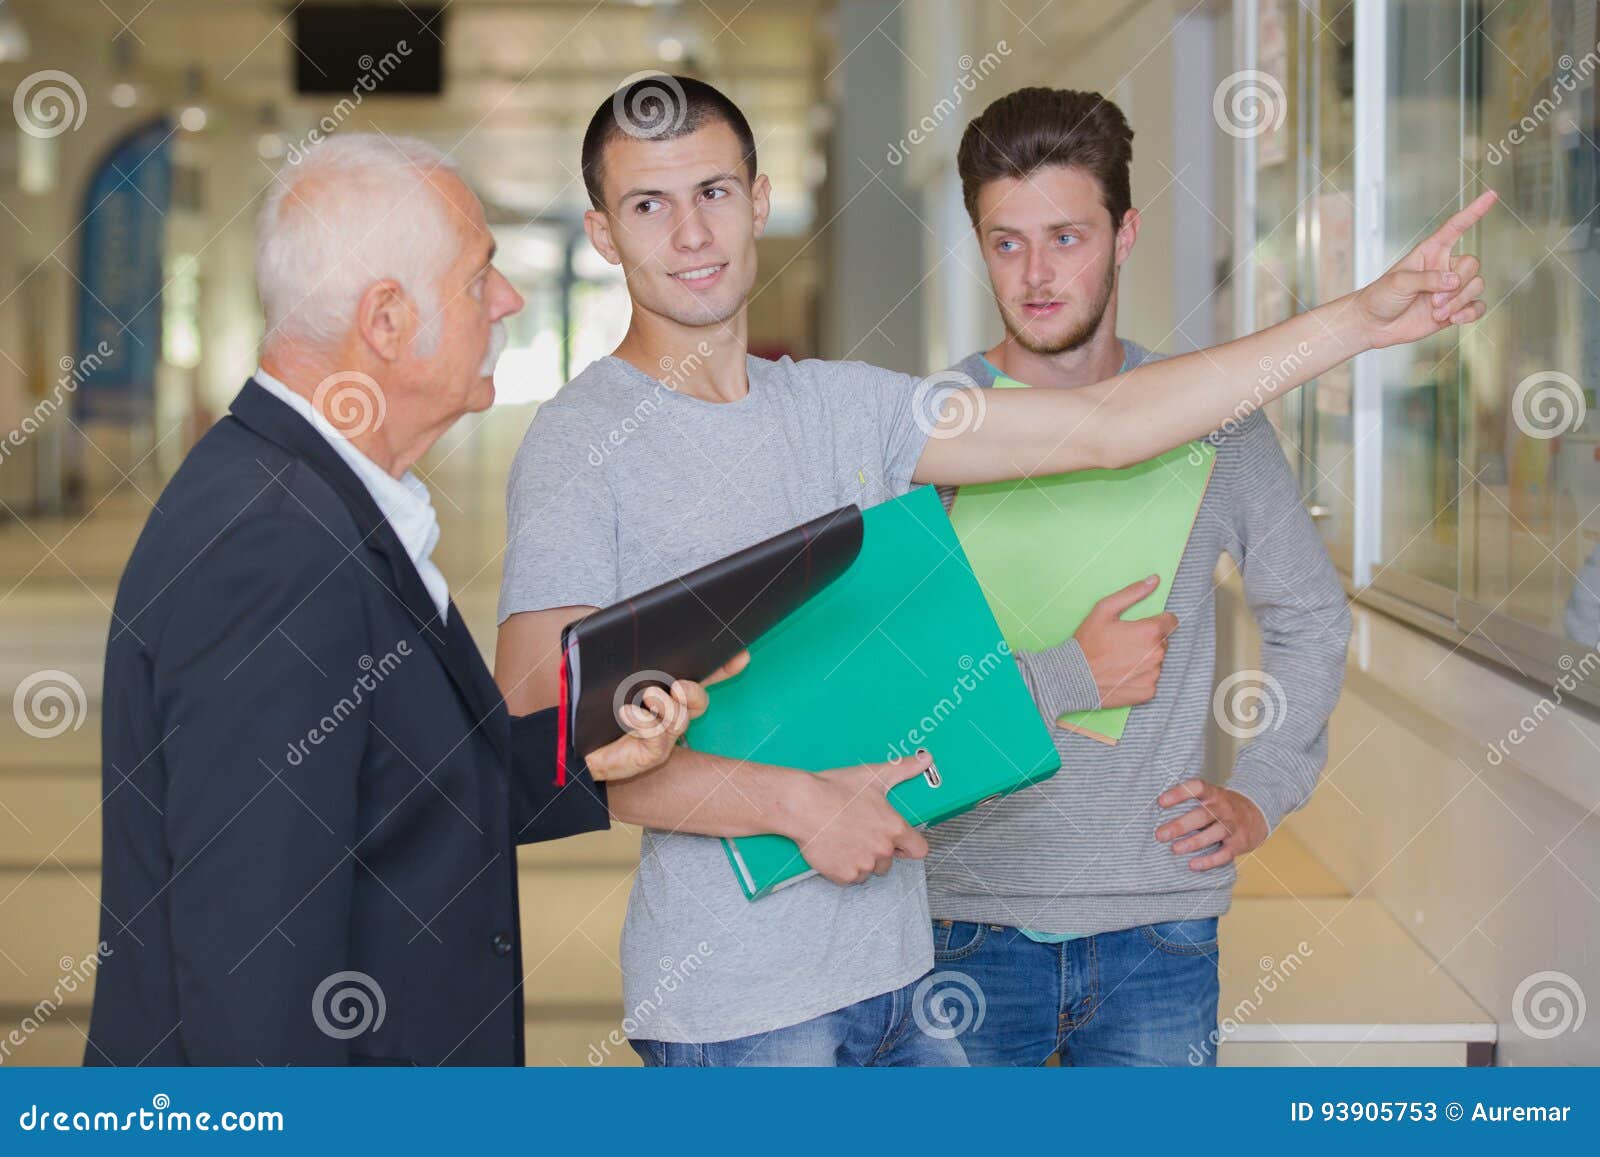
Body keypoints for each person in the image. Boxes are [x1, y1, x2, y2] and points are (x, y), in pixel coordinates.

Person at [492, 74, 1493, 1067]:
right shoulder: (582, 437)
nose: (692, 234)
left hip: (896, 972)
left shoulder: (853, 410)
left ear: (757, 201)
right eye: (647, 205)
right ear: (602, 232)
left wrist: (1357, 320)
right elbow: (550, 731)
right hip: (750, 1002)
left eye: (712, 192)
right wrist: (797, 806)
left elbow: (1110, 427)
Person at [85, 134, 741, 1066]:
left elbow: (402, 791)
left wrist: (598, 750)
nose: (507, 300)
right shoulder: (274, 550)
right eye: (480, 278)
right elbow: (252, 973)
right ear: (387, 321)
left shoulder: (322, 497)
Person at [924, 87, 1361, 1066]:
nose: (1035, 275)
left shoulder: (1213, 419)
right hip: (959, 914)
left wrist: (1263, 787)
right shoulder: (934, 429)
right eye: (1005, 243)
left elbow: (1309, 615)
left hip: (1158, 927)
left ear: (1124, 234)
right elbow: (884, 664)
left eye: (1066, 238)